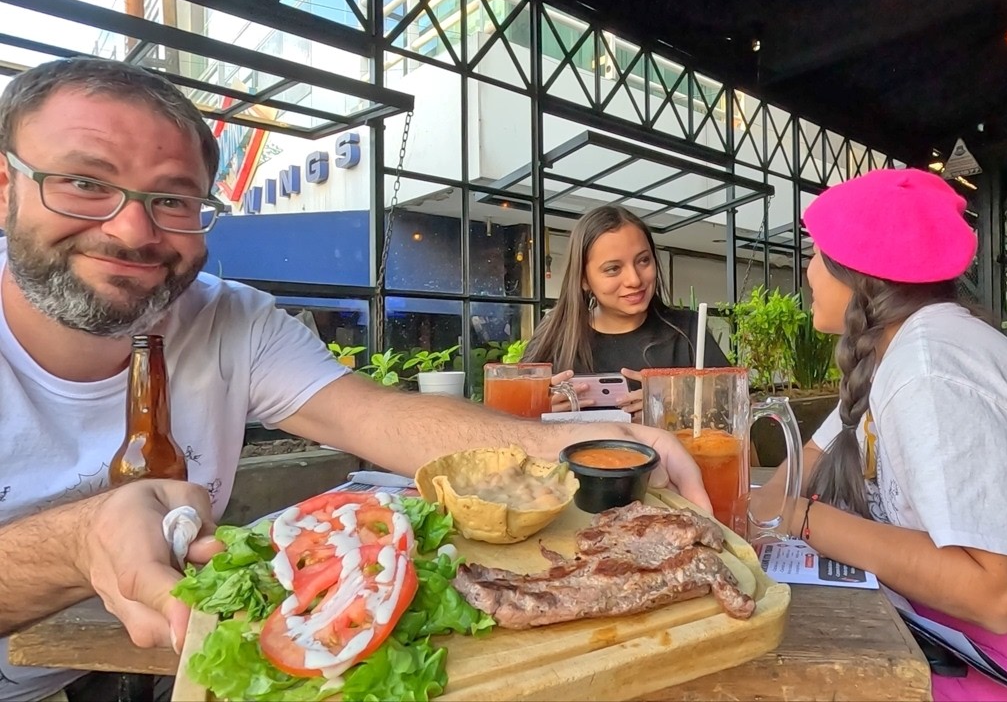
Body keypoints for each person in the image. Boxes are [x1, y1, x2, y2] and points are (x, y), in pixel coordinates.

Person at [0, 57, 710, 702]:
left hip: (173, 667)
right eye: (85, 183)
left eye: (174, 199)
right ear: (6, 186)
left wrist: (597, 436)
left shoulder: (230, 317)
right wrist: (75, 542)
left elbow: (376, 419)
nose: (132, 229)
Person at [754, 169, 1007, 701]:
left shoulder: (934, 366)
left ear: (860, 273)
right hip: (968, 641)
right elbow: (807, 460)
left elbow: (991, 594)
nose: (807, 271)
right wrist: (761, 512)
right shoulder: (897, 352)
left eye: (815, 252)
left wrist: (799, 517)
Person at [523, 205, 731, 419]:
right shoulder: (556, 335)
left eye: (643, 260)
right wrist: (535, 407)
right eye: (613, 269)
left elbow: (733, 406)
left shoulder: (688, 331)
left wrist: (679, 399)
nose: (635, 280)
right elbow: (508, 419)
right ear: (583, 279)